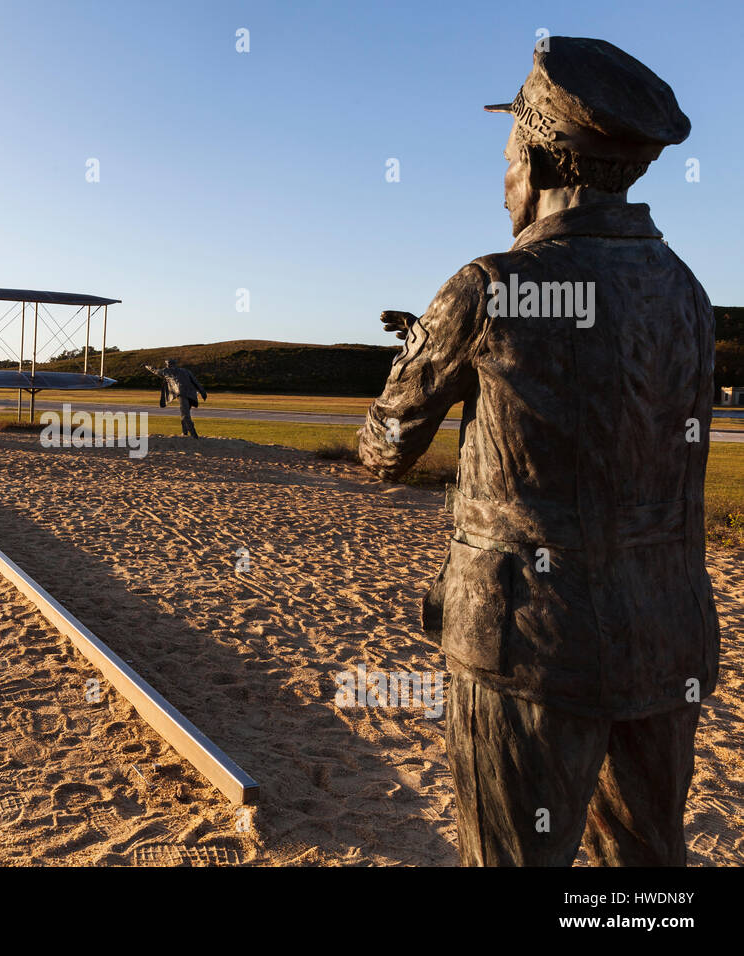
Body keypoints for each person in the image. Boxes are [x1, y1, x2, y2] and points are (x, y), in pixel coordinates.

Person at [356, 37, 719, 866]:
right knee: (646, 870)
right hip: (665, 637)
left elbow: (383, 450)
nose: (504, 176)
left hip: (526, 646)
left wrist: (417, 353)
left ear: (537, 154)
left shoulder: (490, 286)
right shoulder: (689, 293)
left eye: (508, 152)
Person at [144, 358, 208, 438]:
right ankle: (185, 433)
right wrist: (203, 392)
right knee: (185, 412)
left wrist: (146, 366)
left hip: (181, 393)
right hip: (192, 394)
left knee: (185, 414)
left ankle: (193, 434)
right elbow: (196, 382)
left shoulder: (166, 371)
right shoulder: (185, 371)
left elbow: (155, 370)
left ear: (168, 365)